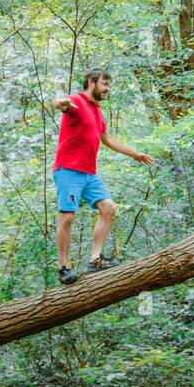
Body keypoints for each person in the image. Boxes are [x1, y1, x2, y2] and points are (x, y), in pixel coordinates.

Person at [49, 69, 153, 284]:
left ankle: (95, 259)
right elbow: (58, 102)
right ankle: (64, 268)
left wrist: (135, 154)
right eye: (104, 84)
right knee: (66, 217)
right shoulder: (75, 101)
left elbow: (107, 138)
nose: (107, 89)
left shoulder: (96, 111)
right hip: (68, 169)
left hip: (89, 173)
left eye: (108, 85)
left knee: (109, 209)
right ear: (91, 83)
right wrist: (62, 104)